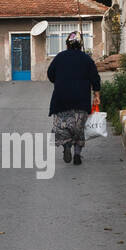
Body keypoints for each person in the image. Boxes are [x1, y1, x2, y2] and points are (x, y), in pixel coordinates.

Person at [47, 31, 101, 166]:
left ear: (67, 44)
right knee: (78, 129)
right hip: (81, 100)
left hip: (61, 99)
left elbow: (50, 74)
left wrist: (59, 80)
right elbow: (95, 78)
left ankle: (66, 146)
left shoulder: (59, 57)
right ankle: (77, 154)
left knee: (63, 127)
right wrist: (96, 94)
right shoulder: (86, 59)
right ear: (81, 45)